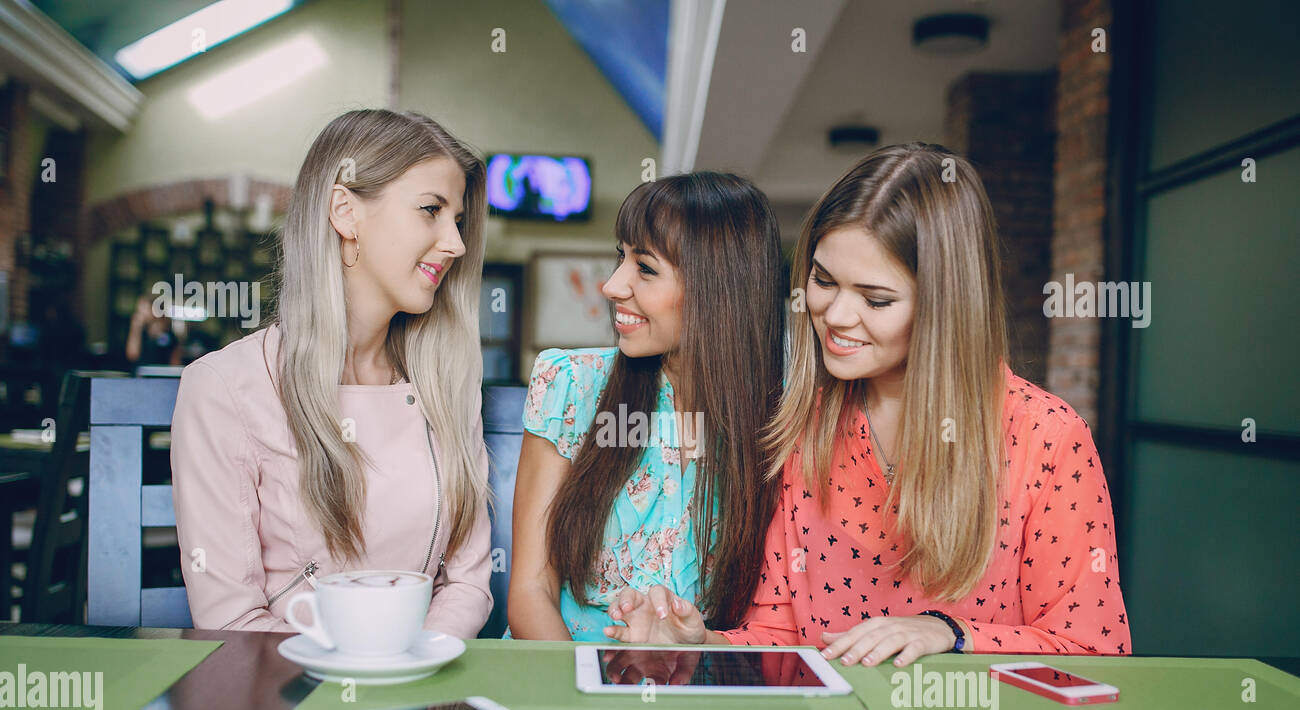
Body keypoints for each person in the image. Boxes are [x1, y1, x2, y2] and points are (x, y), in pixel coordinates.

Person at [605, 143, 1132, 665]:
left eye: (875, 299)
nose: (835, 315)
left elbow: (1093, 649)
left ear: (945, 306)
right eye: (823, 281)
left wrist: (949, 633)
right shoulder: (802, 425)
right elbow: (778, 637)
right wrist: (701, 645)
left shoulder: (1047, 438)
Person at [171, 109, 493, 638]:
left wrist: (412, 664)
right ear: (344, 211)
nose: (456, 243)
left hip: (419, 694)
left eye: (457, 220)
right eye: (431, 210)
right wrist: (359, 672)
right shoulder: (222, 388)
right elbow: (230, 615)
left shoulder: (447, 383)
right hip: (282, 700)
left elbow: (467, 584)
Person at [506, 172, 786, 640]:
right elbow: (531, 591)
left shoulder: (780, 423)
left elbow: (778, 623)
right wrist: (579, 701)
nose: (612, 286)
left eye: (646, 268)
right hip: (562, 681)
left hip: (697, 690)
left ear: (718, 291)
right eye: (621, 257)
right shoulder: (571, 385)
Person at [126, 293, 184, 367]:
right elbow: (132, 355)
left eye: (144, 308)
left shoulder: (170, 336)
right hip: (140, 376)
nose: (140, 313)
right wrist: (136, 328)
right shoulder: (141, 333)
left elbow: (175, 363)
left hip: (162, 376)